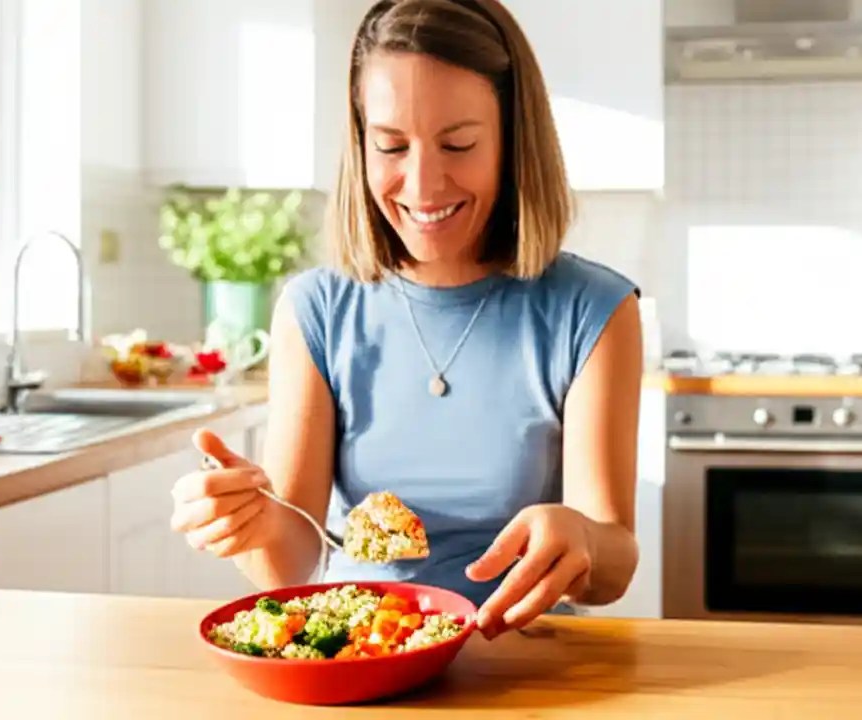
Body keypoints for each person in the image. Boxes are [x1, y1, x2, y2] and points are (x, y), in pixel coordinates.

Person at [169, 0, 642, 640]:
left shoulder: (593, 309)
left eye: (459, 144)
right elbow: (291, 558)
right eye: (391, 145)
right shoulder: (316, 310)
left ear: (512, 142)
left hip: (523, 664)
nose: (423, 185)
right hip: (362, 656)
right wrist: (243, 523)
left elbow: (614, 567)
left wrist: (582, 536)